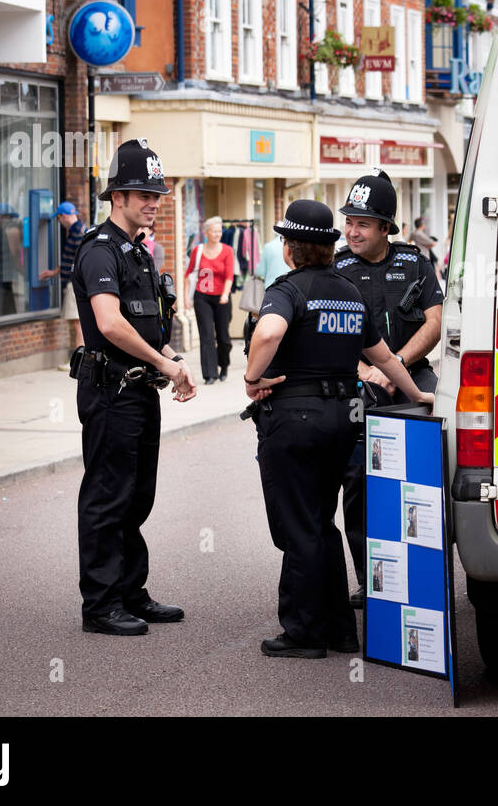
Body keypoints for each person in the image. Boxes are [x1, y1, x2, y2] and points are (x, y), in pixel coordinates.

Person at [244, 199, 432, 659]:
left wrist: (252, 380)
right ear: (328, 247)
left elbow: (268, 334)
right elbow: (384, 356)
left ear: (290, 248)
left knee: (298, 527)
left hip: (294, 421)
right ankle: (340, 630)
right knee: (322, 523)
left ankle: (303, 632)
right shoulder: (348, 291)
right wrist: (418, 395)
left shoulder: (287, 290)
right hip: (342, 421)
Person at [71, 139, 197, 636]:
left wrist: (173, 361)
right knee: (108, 496)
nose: (153, 201)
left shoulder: (138, 252)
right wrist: (161, 365)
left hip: (140, 390)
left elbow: (145, 329)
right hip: (110, 391)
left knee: (136, 496)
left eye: (157, 194)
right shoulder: (100, 251)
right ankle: (100, 605)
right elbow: (109, 323)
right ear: (116, 195)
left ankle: (130, 592)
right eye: (143, 193)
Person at [335, 171, 444, 607]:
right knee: (359, 486)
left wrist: (395, 365)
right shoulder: (335, 269)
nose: (352, 230)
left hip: (413, 381)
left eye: (362, 223)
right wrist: (366, 367)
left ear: (385, 227)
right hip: (358, 386)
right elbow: (329, 332)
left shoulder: (414, 262)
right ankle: (371, 579)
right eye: (349, 221)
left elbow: (434, 323)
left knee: (425, 481)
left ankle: (425, 575)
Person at [184, 216, 235, 384]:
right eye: (214, 231)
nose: (217, 234)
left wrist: (225, 294)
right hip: (202, 296)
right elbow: (189, 274)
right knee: (206, 336)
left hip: (222, 297)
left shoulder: (227, 250)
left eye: (219, 231)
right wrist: (186, 297)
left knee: (223, 338)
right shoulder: (198, 251)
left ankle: (224, 365)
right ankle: (210, 374)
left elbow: (229, 276)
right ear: (206, 233)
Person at [40, 201, 88, 366]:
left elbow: (82, 260)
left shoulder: (78, 234)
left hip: (74, 284)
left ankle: (78, 361)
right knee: (77, 323)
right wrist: (55, 272)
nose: (59, 222)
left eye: (59, 218)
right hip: (74, 282)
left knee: (78, 323)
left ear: (65, 216)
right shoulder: (79, 230)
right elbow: (73, 259)